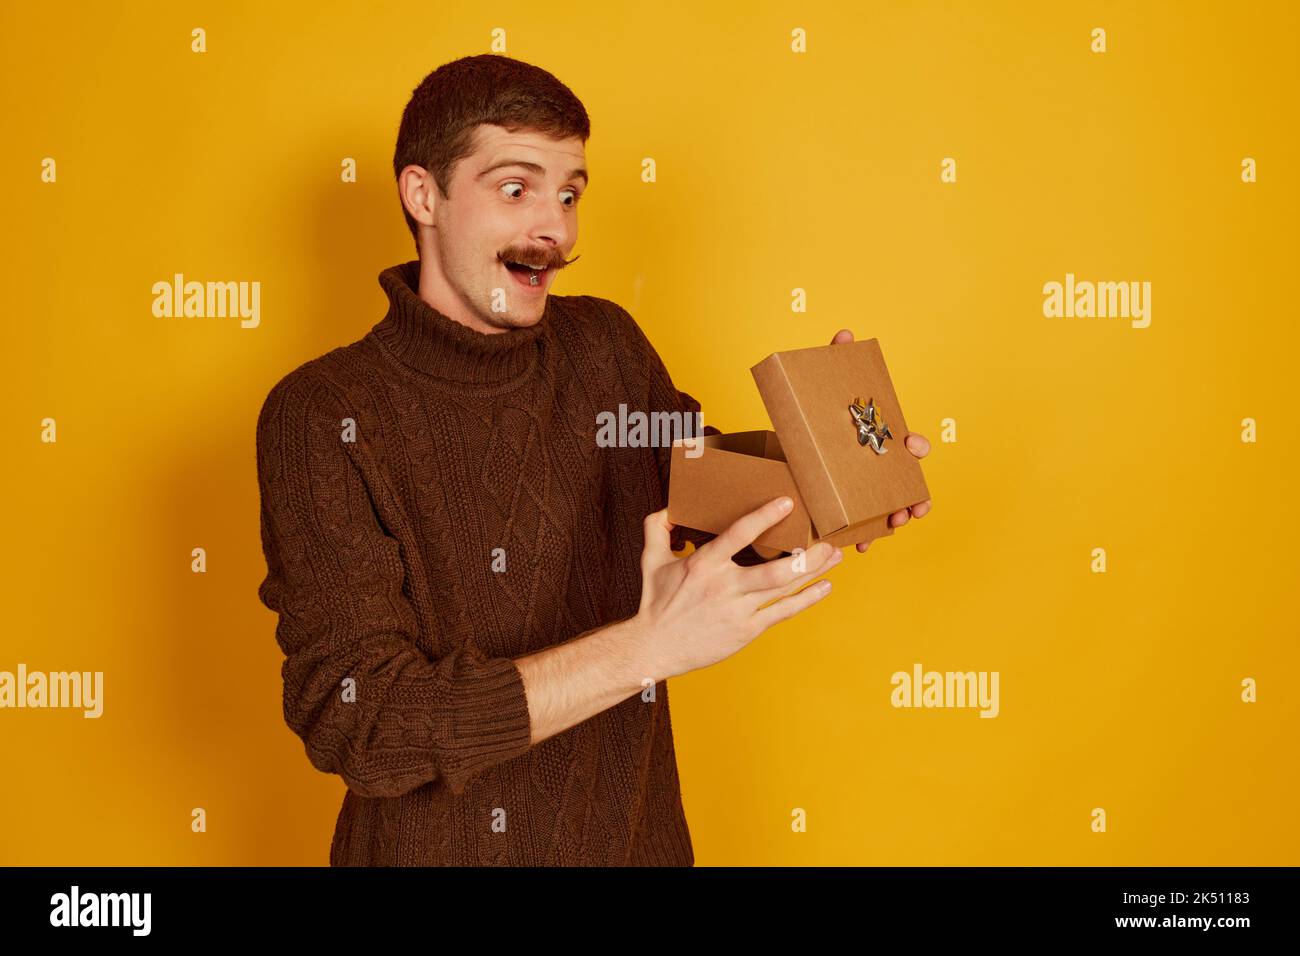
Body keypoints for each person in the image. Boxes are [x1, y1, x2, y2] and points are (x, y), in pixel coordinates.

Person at [254, 53, 932, 866]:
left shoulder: (605, 345)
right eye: (517, 189)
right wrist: (648, 648)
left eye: (570, 193)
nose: (557, 229)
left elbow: (700, 494)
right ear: (422, 194)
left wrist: (833, 464)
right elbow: (363, 722)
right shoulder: (323, 415)